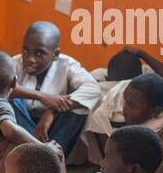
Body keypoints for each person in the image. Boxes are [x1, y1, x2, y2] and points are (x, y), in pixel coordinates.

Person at [9, 20, 102, 155]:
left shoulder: (67, 65)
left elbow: (93, 89)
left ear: (55, 55)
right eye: (26, 50)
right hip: (22, 127)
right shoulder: (16, 63)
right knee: (9, 99)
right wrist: (42, 96)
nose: (30, 58)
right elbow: (0, 86)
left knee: (81, 107)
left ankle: (52, 153)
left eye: (39, 53)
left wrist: (52, 111)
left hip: (52, 130)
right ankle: (37, 150)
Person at [82, 70, 163, 173]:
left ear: (155, 111)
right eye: (125, 103)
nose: (125, 110)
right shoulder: (131, 121)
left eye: (132, 106)